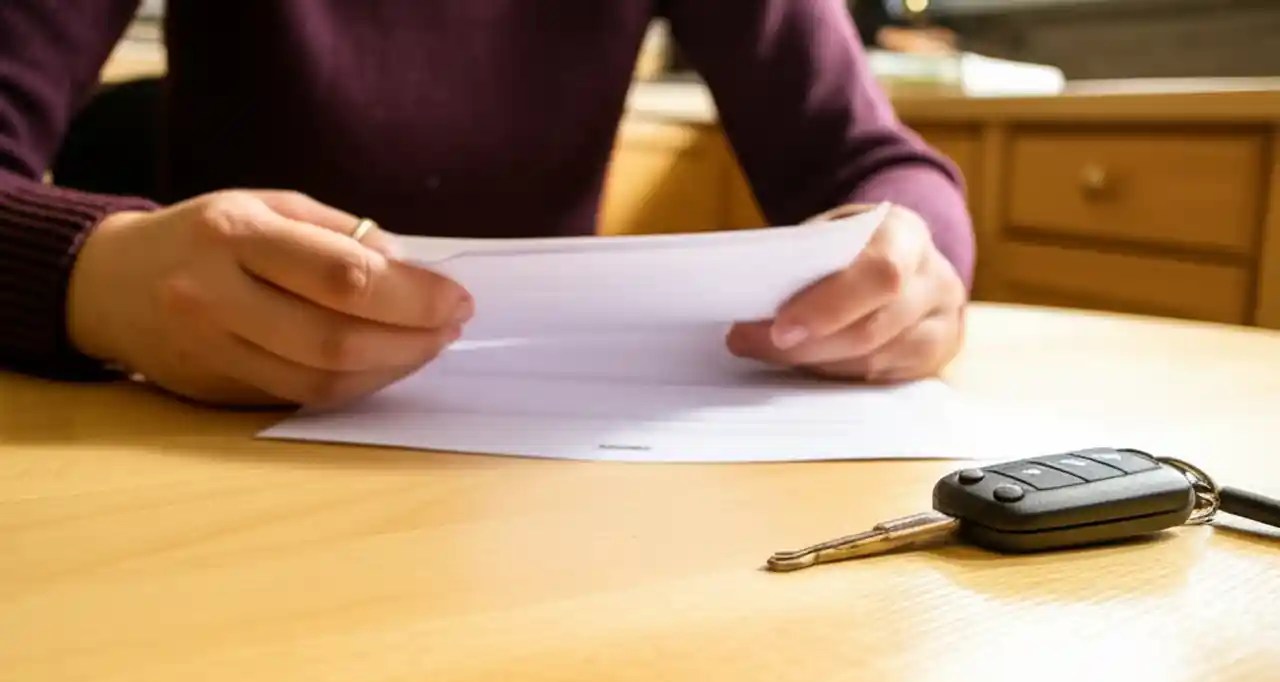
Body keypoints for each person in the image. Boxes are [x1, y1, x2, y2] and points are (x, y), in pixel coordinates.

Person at [0, 1, 973, 407]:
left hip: (555, 460)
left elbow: (871, 158)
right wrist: (97, 271)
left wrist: (909, 257)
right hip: (214, 425)